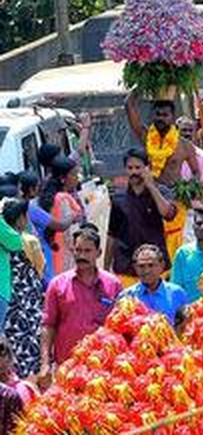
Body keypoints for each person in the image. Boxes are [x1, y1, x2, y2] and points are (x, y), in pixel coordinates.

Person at [39, 224, 122, 385]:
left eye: (87, 251)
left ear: (99, 253)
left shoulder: (113, 285)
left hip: (103, 369)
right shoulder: (58, 284)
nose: (81, 255)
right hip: (67, 367)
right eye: (78, 250)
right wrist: (45, 363)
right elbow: (48, 326)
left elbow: (119, 327)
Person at [108, 149, 176, 286]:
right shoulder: (118, 197)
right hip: (126, 267)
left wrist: (151, 187)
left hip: (155, 265)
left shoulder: (161, 192)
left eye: (138, 167)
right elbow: (112, 235)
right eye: (130, 168)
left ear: (147, 168)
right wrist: (105, 268)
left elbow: (167, 214)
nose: (134, 172)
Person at [0, 199, 43, 379]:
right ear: (20, 218)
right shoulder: (29, 241)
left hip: (13, 297)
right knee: (27, 337)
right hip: (22, 297)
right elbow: (15, 243)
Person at [35, 156, 84, 278]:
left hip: (53, 254)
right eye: (74, 174)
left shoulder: (51, 197)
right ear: (63, 178)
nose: (77, 178)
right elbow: (68, 236)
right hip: (64, 256)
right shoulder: (62, 199)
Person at [120, 244, 188, 328]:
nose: (146, 271)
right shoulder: (127, 296)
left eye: (151, 265)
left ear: (162, 266)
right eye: (141, 266)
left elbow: (185, 326)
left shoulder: (177, 293)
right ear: (135, 267)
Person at [169, 204, 203, 305]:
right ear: (193, 227)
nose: (202, 227)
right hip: (191, 312)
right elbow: (175, 290)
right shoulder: (183, 254)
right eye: (199, 223)